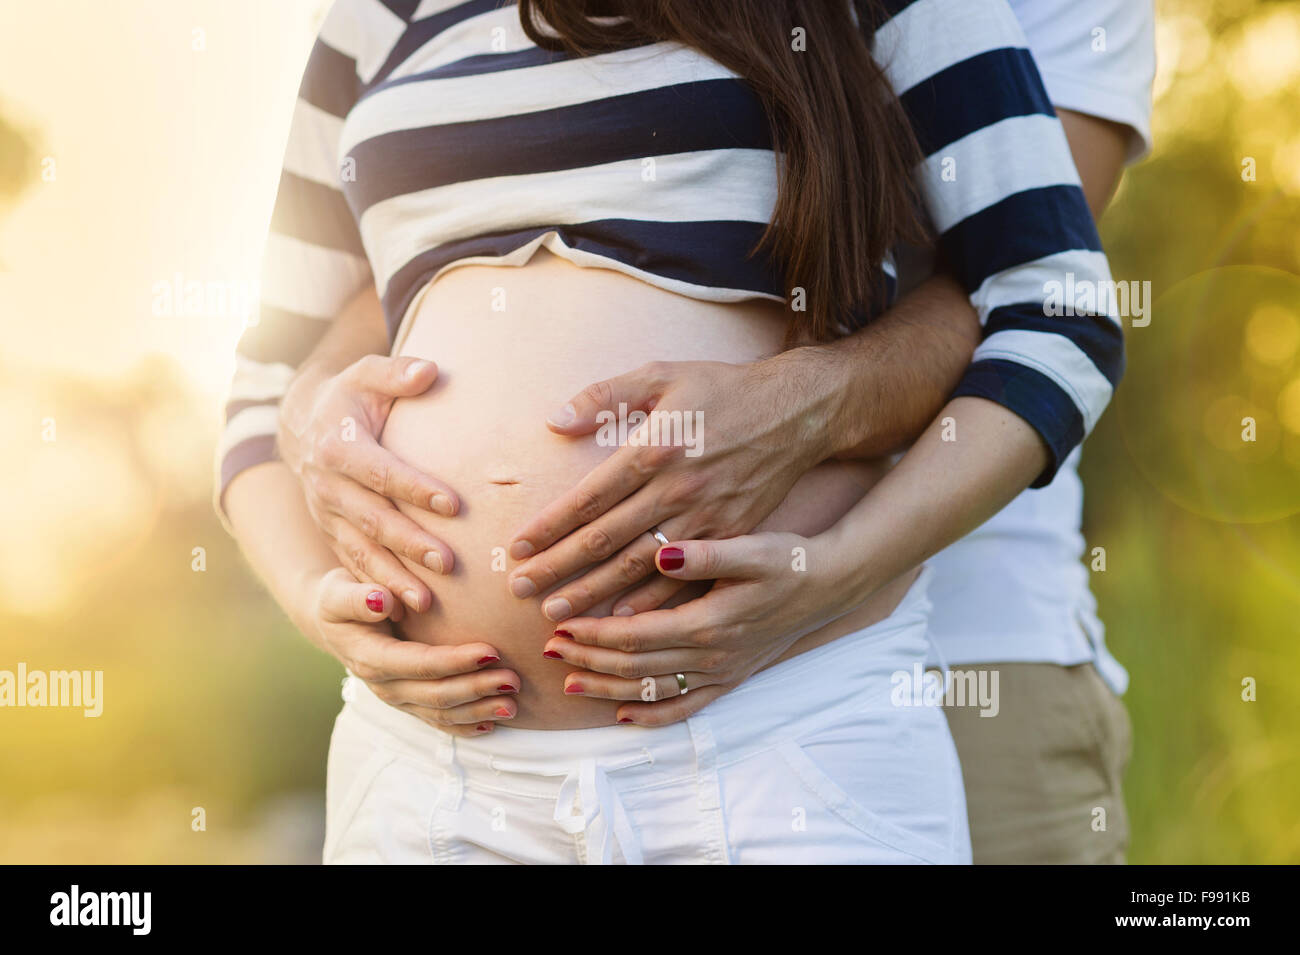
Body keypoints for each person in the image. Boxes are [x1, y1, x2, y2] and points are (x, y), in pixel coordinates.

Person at [220, 0, 1123, 864]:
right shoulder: (377, 17)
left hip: (785, 740)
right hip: (434, 773)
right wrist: (321, 607)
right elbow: (263, 391)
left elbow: (1057, 308)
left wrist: (840, 564)